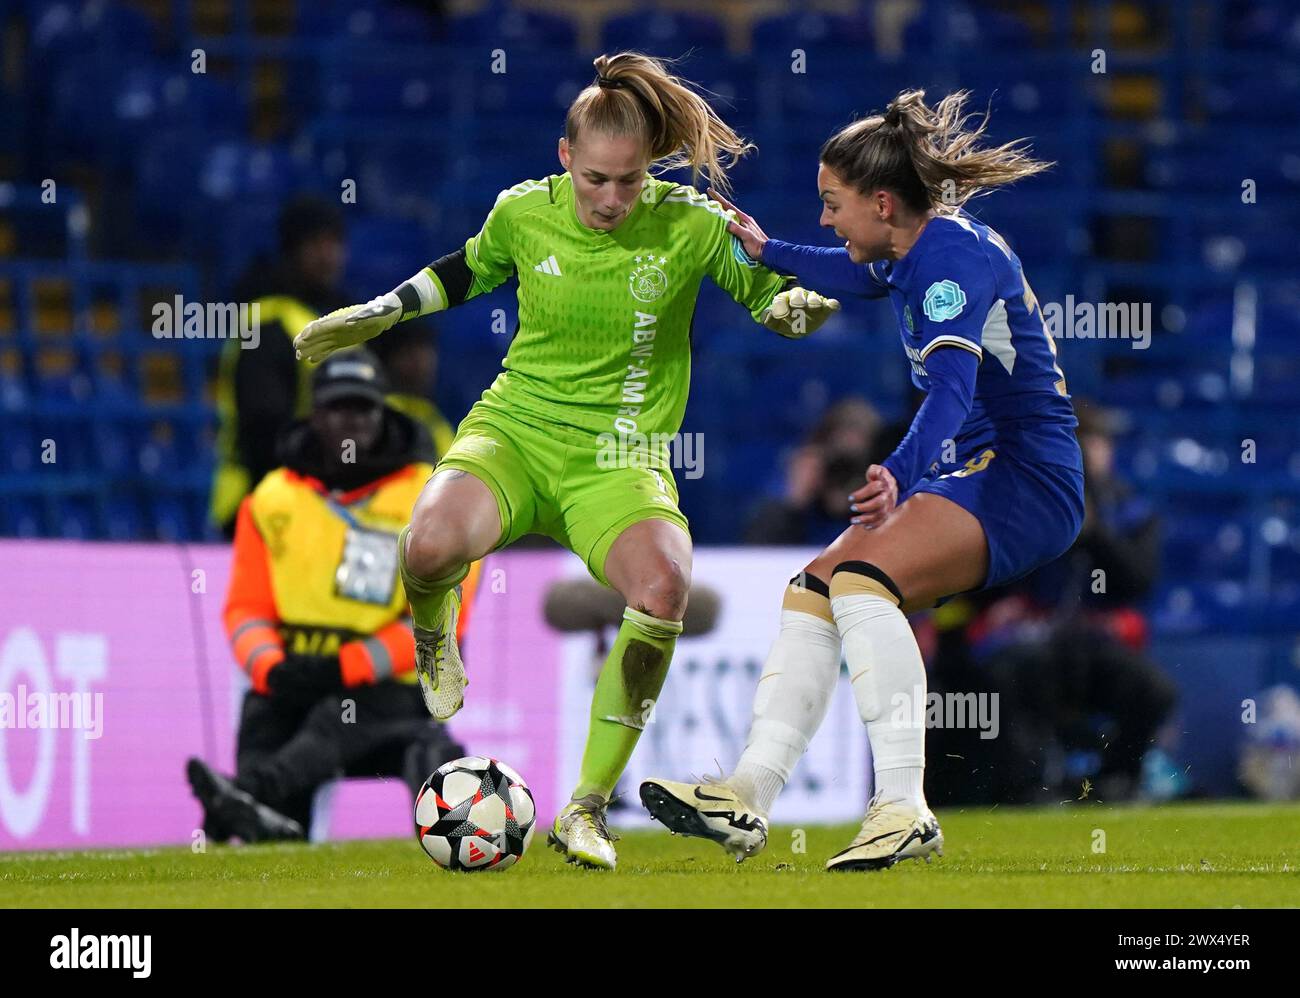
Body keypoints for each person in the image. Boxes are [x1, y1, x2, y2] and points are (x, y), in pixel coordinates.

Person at [292, 52, 840, 870]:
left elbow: (766, 297)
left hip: (618, 458)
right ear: (564, 158)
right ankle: (433, 630)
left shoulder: (691, 223)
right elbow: (466, 271)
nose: (611, 199)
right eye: (594, 180)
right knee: (429, 543)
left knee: (665, 588)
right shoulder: (523, 212)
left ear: (648, 169)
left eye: (627, 181)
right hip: (516, 429)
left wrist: (794, 310)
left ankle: (585, 810)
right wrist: (380, 312)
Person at [640, 89, 1086, 871]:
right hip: (981, 466)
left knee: (861, 580)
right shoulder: (912, 248)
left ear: (883, 202)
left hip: (1023, 472)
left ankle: (904, 806)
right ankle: (747, 792)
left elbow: (950, 391)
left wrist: (898, 472)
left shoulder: (949, 261)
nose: (825, 219)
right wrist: (763, 247)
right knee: (813, 586)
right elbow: (850, 277)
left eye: (831, 203)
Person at [187, 348, 470, 842]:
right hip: (292, 673)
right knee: (264, 715)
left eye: (364, 408)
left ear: (384, 411)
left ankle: (248, 792)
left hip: (392, 689)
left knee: (334, 716)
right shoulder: (272, 499)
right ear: (315, 414)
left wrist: (345, 666)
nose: (352, 421)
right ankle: (267, 824)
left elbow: (442, 625)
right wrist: (270, 668)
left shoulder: (428, 500)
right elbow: (245, 609)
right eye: (339, 408)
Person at [209, 196, 352, 535]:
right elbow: (263, 426)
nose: (328, 255)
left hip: (321, 504)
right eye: (316, 243)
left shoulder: (339, 319)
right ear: (291, 250)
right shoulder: (268, 321)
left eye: (335, 243)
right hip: (259, 503)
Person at [744, 397, 885, 547]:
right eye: (838, 465)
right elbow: (755, 555)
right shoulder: (794, 508)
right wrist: (795, 500)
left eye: (853, 468)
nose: (843, 476)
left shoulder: (887, 505)